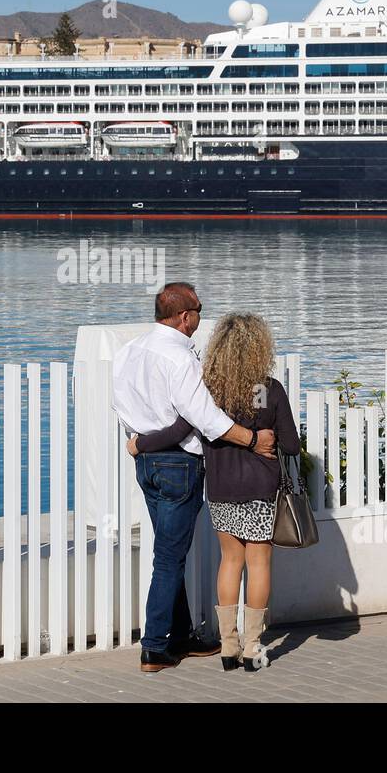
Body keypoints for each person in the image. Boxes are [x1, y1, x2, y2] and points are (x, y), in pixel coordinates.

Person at [112, 283, 276, 674]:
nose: (202, 317)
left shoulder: (128, 352)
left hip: (146, 461)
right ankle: (153, 647)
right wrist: (252, 440)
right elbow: (207, 419)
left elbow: (120, 405)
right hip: (179, 465)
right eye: (200, 310)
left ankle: (181, 634)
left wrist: (139, 443)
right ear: (186, 317)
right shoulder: (180, 360)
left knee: (172, 551)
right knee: (168, 557)